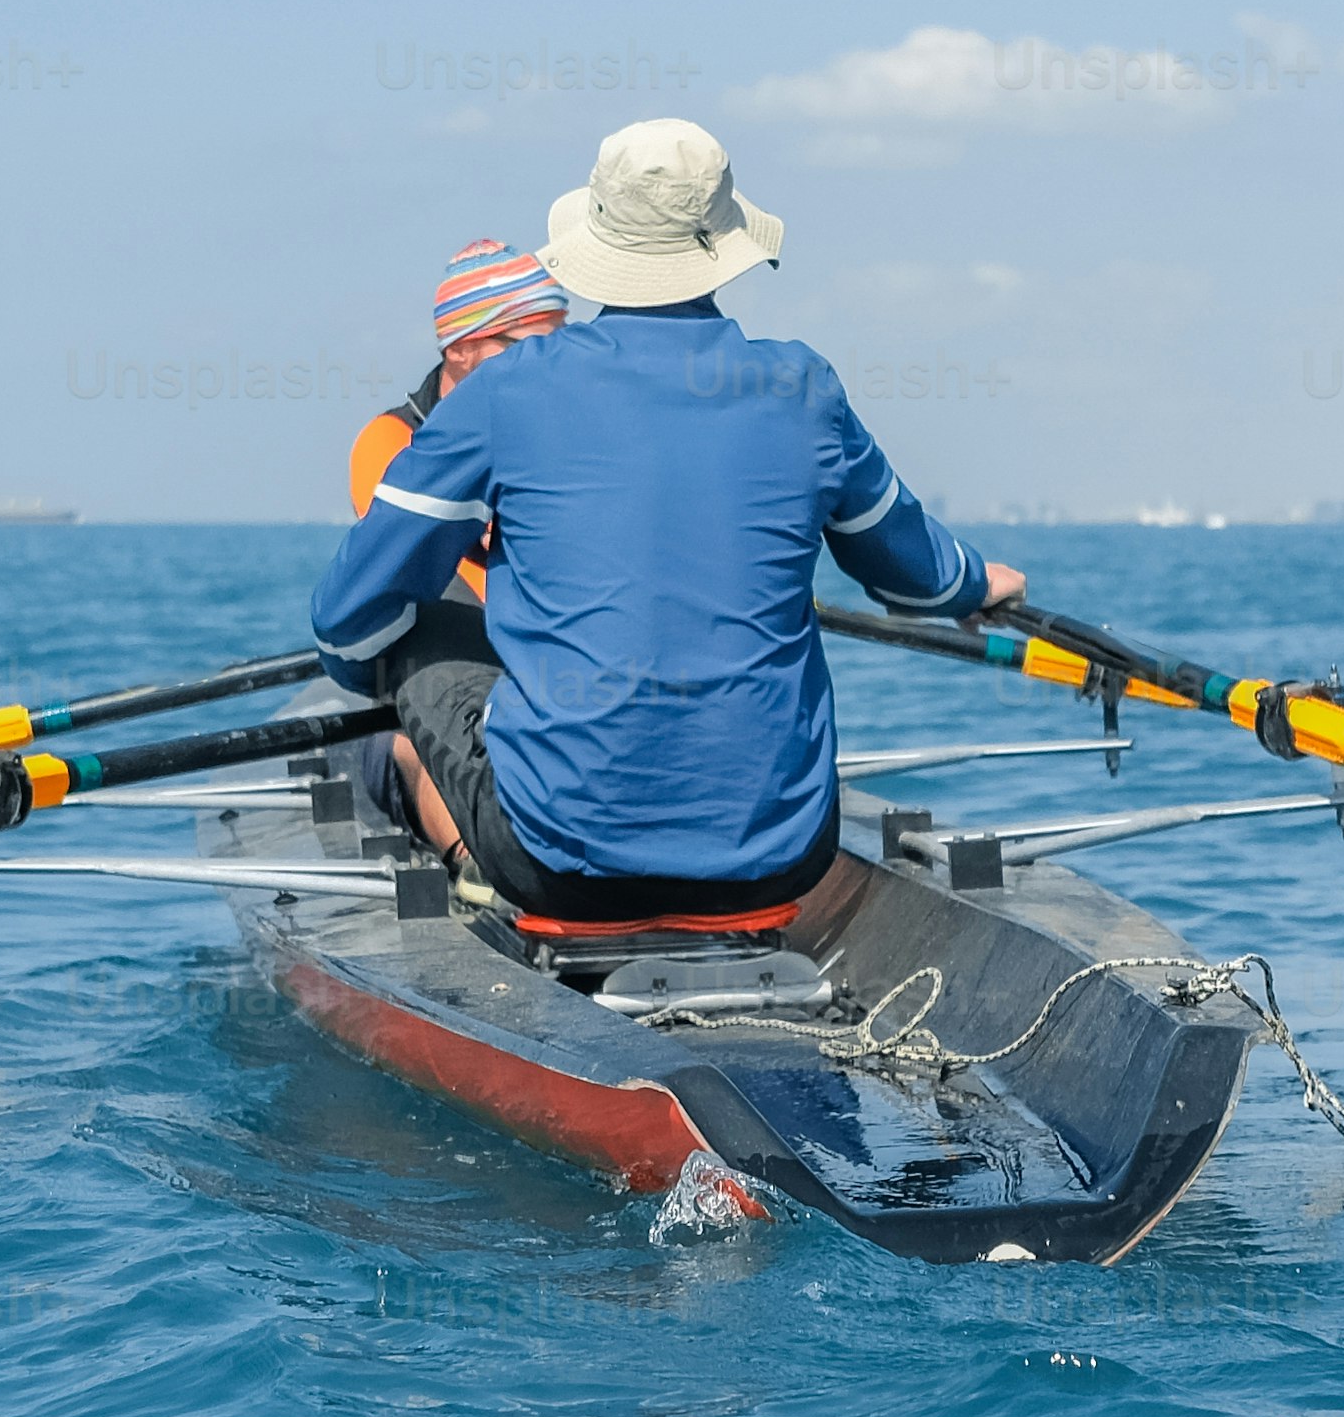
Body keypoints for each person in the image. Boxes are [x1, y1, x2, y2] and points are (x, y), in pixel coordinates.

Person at [307, 118, 1020, 939]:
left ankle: (466, 842)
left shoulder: (504, 393)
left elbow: (348, 616)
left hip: (558, 868)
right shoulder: (804, 387)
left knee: (416, 618)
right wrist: (976, 581)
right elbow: (916, 580)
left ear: (595, 241)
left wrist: (372, 689)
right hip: (782, 856)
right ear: (721, 241)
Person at [338, 238, 567, 680]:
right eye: (534, 344)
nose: (557, 360)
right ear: (460, 350)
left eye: (565, 337)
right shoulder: (389, 440)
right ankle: (389, 750)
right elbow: (416, 564)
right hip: (459, 649)